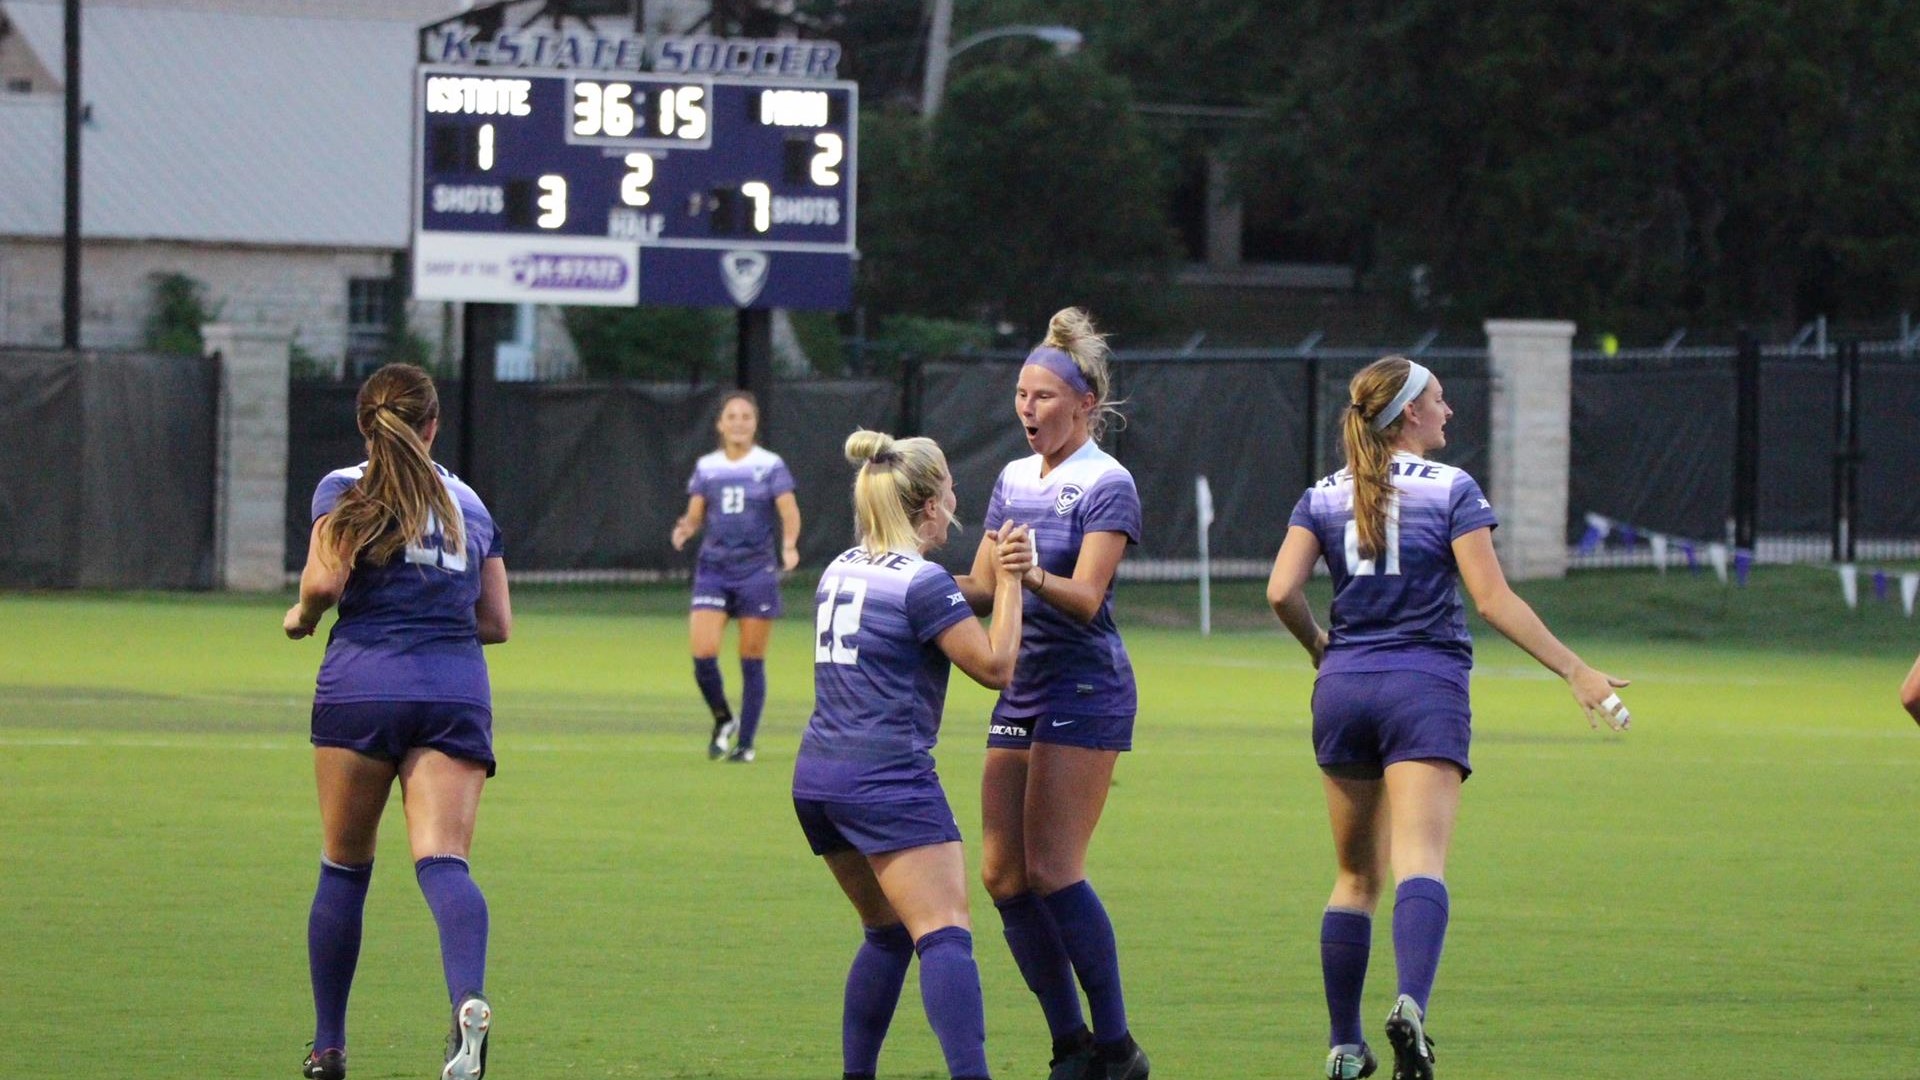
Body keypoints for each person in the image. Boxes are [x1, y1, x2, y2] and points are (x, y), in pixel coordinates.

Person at [1265, 356, 1631, 1080]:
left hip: (1343, 689)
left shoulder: (1323, 494)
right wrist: (1576, 670)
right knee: (1420, 863)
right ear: (1407, 416)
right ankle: (1409, 1006)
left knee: (1352, 878)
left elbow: (1282, 590)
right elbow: (1493, 602)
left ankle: (1344, 1047)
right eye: (1437, 400)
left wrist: (1318, 648)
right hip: (1422, 684)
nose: (1449, 412)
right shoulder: (1454, 489)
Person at [283, 363, 511, 1080]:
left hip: (364, 684)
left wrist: (302, 615)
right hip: (453, 688)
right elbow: (497, 622)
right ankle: (468, 1000)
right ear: (434, 426)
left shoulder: (344, 485)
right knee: (444, 862)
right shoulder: (470, 503)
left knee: (344, 868)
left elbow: (324, 579)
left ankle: (328, 1047)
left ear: (365, 423)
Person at [792, 429, 1028, 1080]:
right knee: (943, 930)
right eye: (950, 484)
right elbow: (996, 666)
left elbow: (933, 604)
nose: (958, 494)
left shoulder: (840, 566)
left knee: (887, 931)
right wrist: (1011, 582)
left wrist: (984, 582)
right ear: (929, 505)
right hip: (885, 777)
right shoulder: (922, 583)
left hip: (818, 780)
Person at [954, 308, 1150, 1080]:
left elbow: (1088, 597)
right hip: (1024, 685)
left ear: (1084, 406)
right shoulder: (1011, 478)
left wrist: (1031, 574)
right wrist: (900, 573)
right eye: (1020, 394)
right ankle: (1069, 1042)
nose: (1026, 408)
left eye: (1041, 396)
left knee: (1055, 869)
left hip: (1085, 687)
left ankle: (1117, 1045)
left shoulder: (1107, 482)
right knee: (1003, 873)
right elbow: (977, 585)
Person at [670, 390, 802, 763]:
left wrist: (789, 545)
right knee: (703, 654)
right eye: (732, 416)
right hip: (714, 569)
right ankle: (723, 719)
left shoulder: (770, 465)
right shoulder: (707, 466)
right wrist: (685, 528)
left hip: (755, 572)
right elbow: (696, 513)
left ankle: (745, 742)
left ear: (755, 423)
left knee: (751, 658)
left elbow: (788, 510)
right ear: (720, 424)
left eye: (746, 416)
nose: (739, 422)